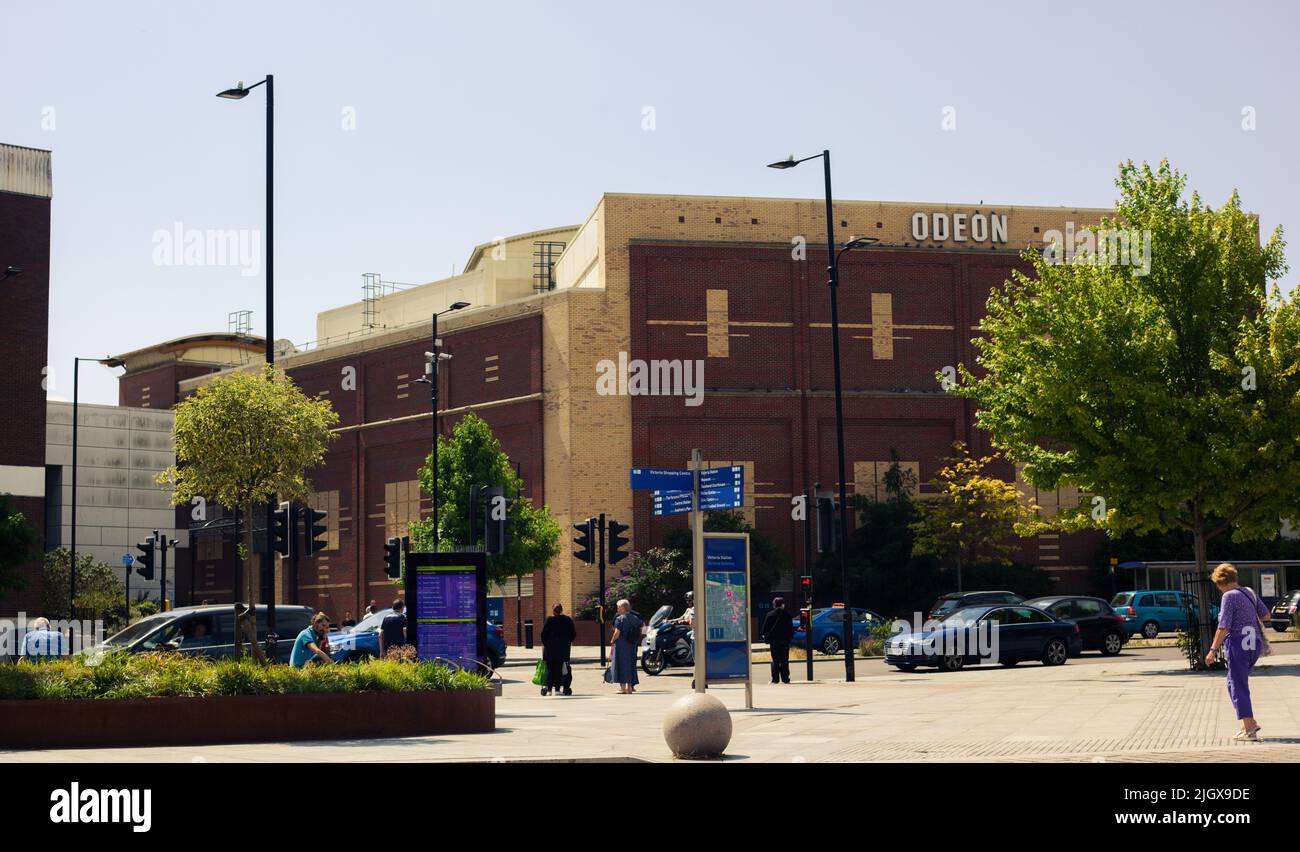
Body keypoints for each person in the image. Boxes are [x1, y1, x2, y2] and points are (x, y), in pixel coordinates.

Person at [1205, 563, 1271, 741]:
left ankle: (1250, 729)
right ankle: (1247, 723)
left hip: (1238, 644)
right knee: (1232, 683)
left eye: (1218, 585)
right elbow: (1266, 615)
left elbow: (1224, 626)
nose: (1219, 589)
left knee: (1237, 685)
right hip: (1254, 645)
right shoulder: (1248, 591)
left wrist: (1212, 650)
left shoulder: (1229, 596)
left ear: (1221, 582)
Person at [540, 603, 577, 696]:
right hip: (562, 649)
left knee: (550, 669)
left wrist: (546, 644)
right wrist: (568, 642)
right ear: (561, 610)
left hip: (550, 649)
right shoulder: (567, 620)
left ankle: (549, 690)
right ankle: (557, 689)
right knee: (559, 669)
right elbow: (573, 634)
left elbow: (543, 634)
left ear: (553, 610)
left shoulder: (549, 620)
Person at [609, 599, 642, 694]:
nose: (617, 609)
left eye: (618, 607)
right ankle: (630, 687)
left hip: (621, 645)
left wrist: (612, 640)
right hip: (631, 644)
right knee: (631, 664)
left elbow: (617, 633)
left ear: (623, 608)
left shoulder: (620, 619)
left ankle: (623, 688)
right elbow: (641, 626)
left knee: (621, 665)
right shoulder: (635, 618)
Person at [761, 597, 795, 684]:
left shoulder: (770, 615)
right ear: (782, 604)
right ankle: (785, 679)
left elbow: (764, 629)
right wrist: (789, 639)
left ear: (774, 605)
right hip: (784, 641)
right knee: (784, 660)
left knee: (775, 660)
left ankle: (775, 679)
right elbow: (791, 629)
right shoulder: (787, 615)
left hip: (774, 641)